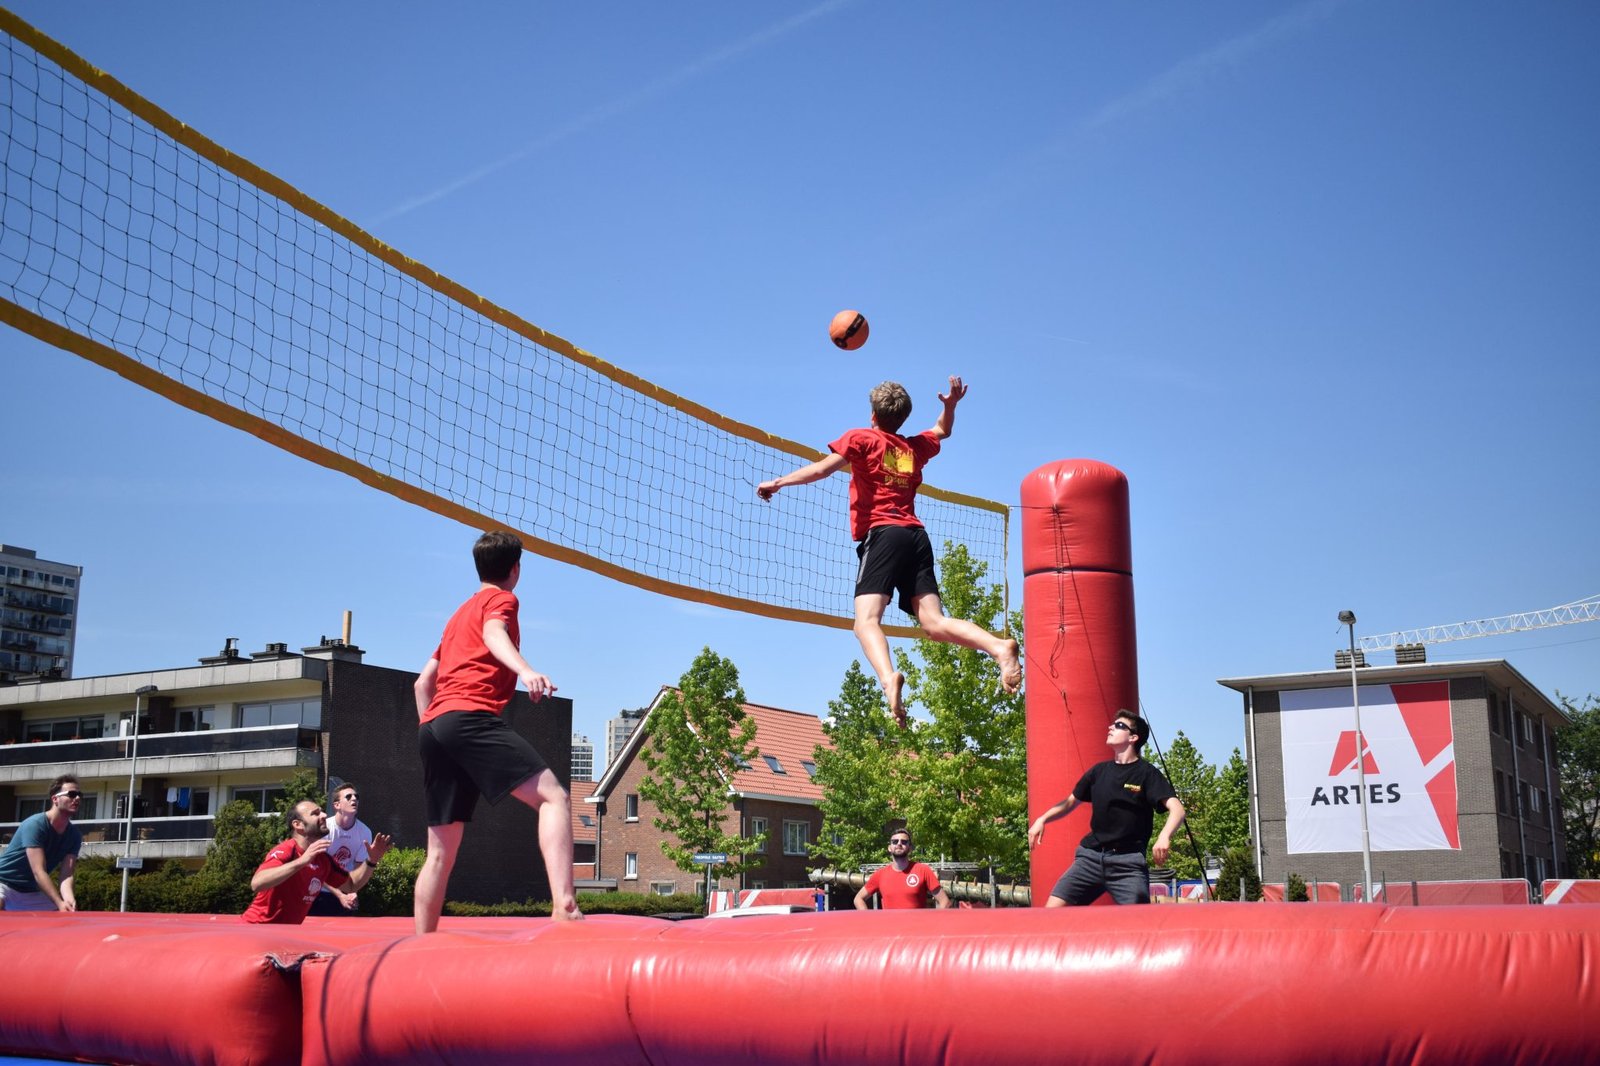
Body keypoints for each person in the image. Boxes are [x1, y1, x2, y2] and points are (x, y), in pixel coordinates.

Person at [758, 377, 1022, 726]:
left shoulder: (861, 439)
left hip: (884, 534)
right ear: (902, 418)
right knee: (934, 622)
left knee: (865, 622)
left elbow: (821, 469)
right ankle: (998, 647)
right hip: (916, 536)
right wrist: (950, 404)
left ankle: (887, 679)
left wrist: (777, 482)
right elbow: (942, 430)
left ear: (873, 415)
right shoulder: (912, 448)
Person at [412, 529, 582, 933]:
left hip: (434, 725)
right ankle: (565, 906)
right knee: (554, 798)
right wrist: (526, 671)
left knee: (438, 853)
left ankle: (420, 945)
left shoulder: (457, 616)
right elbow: (493, 634)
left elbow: (422, 684)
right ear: (516, 569)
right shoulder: (502, 599)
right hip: (468, 716)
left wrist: (432, 728)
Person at [1028, 712, 1185, 906]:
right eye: (1112, 724)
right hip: (1090, 858)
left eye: (1119, 725)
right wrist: (1042, 819)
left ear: (1133, 737)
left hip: (1128, 864)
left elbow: (1177, 809)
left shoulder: (1147, 774)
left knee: (1138, 924)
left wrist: (1164, 837)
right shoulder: (1098, 772)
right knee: (1051, 913)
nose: (1110, 727)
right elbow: (1069, 802)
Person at [242, 799, 388, 924]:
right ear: (298, 825)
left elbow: (351, 885)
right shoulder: (287, 850)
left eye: (322, 811)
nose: (324, 815)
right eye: (315, 813)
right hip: (256, 930)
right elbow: (257, 883)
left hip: (284, 936)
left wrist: (371, 861)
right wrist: (303, 861)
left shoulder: (322, 859)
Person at [306, 781, 393, 916]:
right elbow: (319, 869)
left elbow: (358, 868)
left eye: (356, 797)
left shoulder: (365, 832)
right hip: (319, 892)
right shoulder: (324, 829)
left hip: (346, 893)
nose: (354, 799)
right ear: (337, 805)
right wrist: (340, 895)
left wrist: (353, 892)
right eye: (348, 797)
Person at [0, 774, 84, 912]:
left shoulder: (74, 836)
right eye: (72, 794)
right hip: (3, 883)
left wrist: (68, 900)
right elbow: (39, 871)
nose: (77, 798)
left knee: (62, 918)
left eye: (79, 795)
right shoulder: (35, 824)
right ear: (55, 799)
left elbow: (66, 874)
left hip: (29, 891)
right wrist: (58, 902)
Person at [854, 829, 951, 910]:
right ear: (889, 848)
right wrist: (870, 921)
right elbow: (858, 899)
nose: (899, 844)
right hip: (890, 931)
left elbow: (945, 902)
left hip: (916, 931)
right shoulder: (880, 874)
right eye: (895, 841)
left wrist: (933, 926)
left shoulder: (923, 870)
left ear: (910, 848)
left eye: (904, 842)